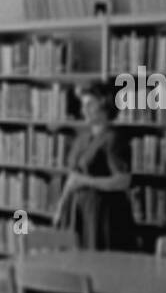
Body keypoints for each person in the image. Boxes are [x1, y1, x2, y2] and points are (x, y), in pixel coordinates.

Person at [54, 83, 134, 250]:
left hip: (102, 214)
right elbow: (72, 178)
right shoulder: (83, 138)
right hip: (78, 211)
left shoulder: (113, 139)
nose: (84, 110)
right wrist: (61, 208)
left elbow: (123, 181)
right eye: (83, 105)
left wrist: (86, 181)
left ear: (104, 104)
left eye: (89, 104)